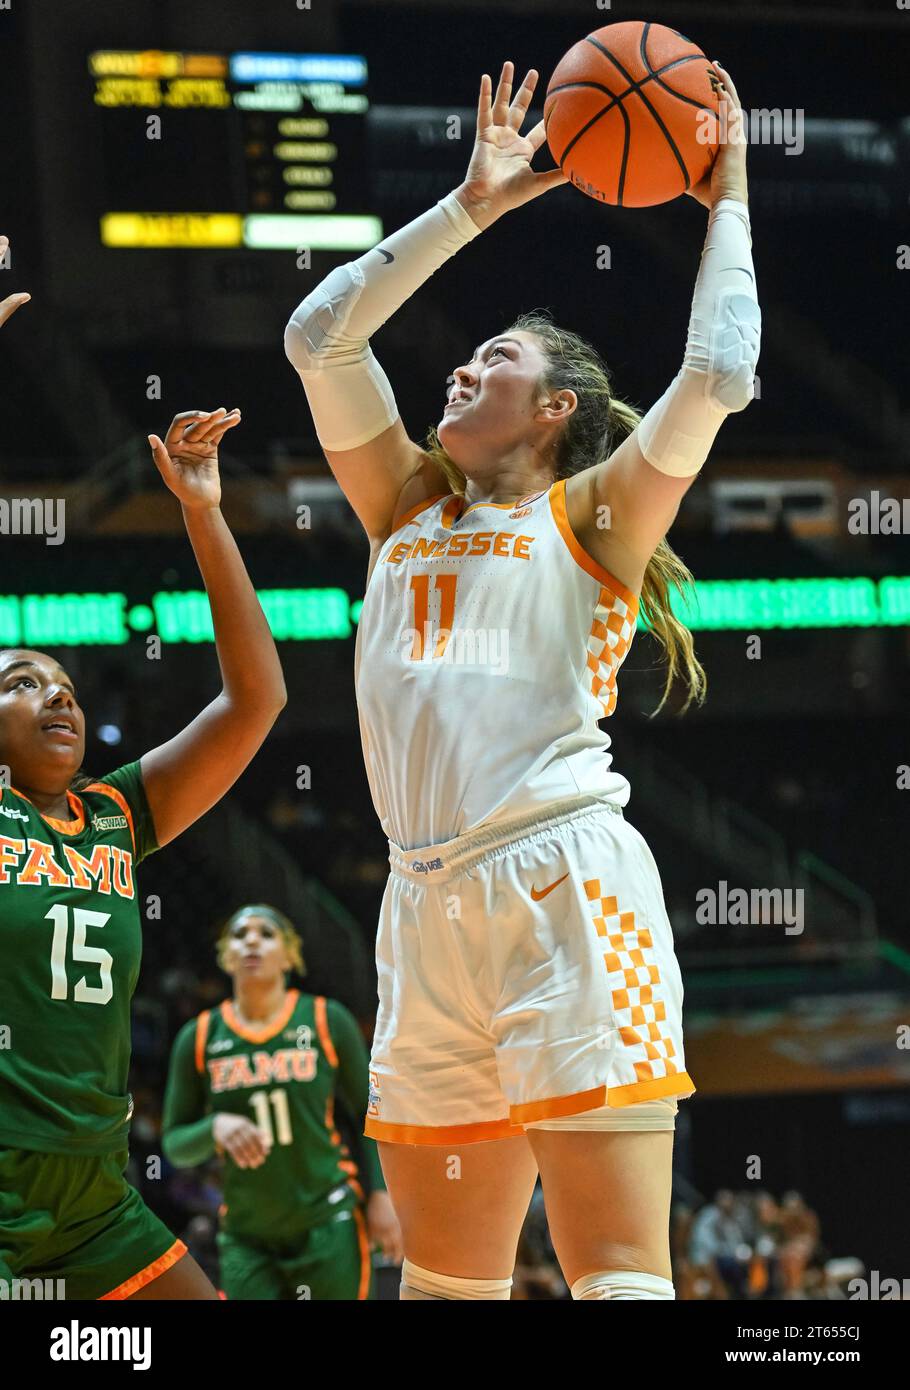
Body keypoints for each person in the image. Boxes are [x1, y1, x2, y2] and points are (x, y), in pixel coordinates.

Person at [283, 58, 759, 1302]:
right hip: (422, 907)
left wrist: (730, 197)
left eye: (488, 358)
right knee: (442, 1290)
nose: (455, 369)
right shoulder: (400, 507)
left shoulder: (594, 517)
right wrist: (473, 207)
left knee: (613, 1276)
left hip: (562, 885)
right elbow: (318, 334)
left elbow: (714, 379)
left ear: (552, 409)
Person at [0, 258, 287, 1299]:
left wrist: (202, 513)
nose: (60, 696)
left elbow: (254, 703)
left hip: (94, 1195)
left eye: (69, 684)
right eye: (25, 682)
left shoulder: (115, 816)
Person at [162, 904, 402, 1299]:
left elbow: (371, 1113)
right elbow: (175, 1144)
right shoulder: (200, 1036)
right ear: (226, 956)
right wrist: (214, 1127)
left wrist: (381, 1194)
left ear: (290, 954)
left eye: (267, 933)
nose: (252, 940)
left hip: (328, 1219)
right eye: (239, 934)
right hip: (246, 1232)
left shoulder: (326, 1019)